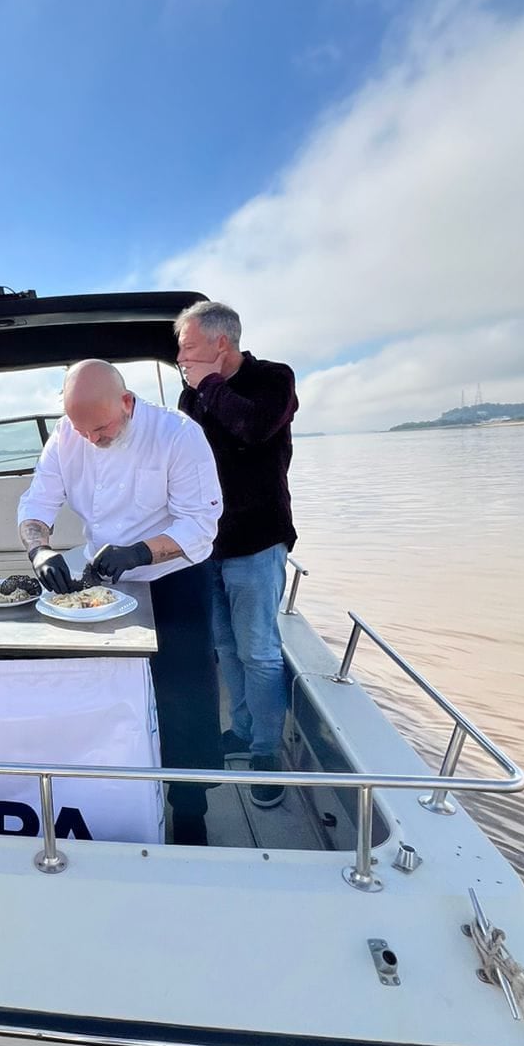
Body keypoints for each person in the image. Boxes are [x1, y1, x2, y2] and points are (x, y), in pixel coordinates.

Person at [17, 360, 223, 845]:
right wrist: (40, 548)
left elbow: (202, 523)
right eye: (81, 429)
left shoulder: (178, 435)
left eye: (101, 428)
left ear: (127, 403)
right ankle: (109, 798)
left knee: (185, 698)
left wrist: (140, 551)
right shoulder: (69, 436)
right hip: (104, 583)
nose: (91, 439)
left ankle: (190, 810)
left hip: (174, 576)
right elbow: (37, 503)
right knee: (108, 694)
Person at [175, 301, 298, 807]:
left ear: (219, 343)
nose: (180, 357)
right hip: (210, 548)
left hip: (258, 542)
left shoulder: (274, 379)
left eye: (186, 347)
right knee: (226, 649)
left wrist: (207, 385)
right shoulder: (191, 398)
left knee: (261, 654)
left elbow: (253, 429)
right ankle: (244, 730)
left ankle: (267, 751)